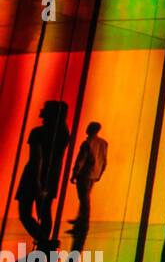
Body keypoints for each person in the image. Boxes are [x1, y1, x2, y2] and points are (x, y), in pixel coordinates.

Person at [14, 101, 71, 250]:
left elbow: (36, 159)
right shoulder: (64, 134)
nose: (41, 110)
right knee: (45, 212)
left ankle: (44, 242)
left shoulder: (37, 132)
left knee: (24, 213)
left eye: (45, 109)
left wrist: (38, 182)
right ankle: (44, 245)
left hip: (33, 176)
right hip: (52, 176)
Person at [70, 121, 108, 230]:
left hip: (84, 174)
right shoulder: (103, 143)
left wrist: (75, 173)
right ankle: (80, 218)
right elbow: (104, 160)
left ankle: (84, 222)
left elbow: (81, 160)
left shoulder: (87, 143)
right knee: (85, 197)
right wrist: (100, 174)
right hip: (94, 174)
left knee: (83, 198)